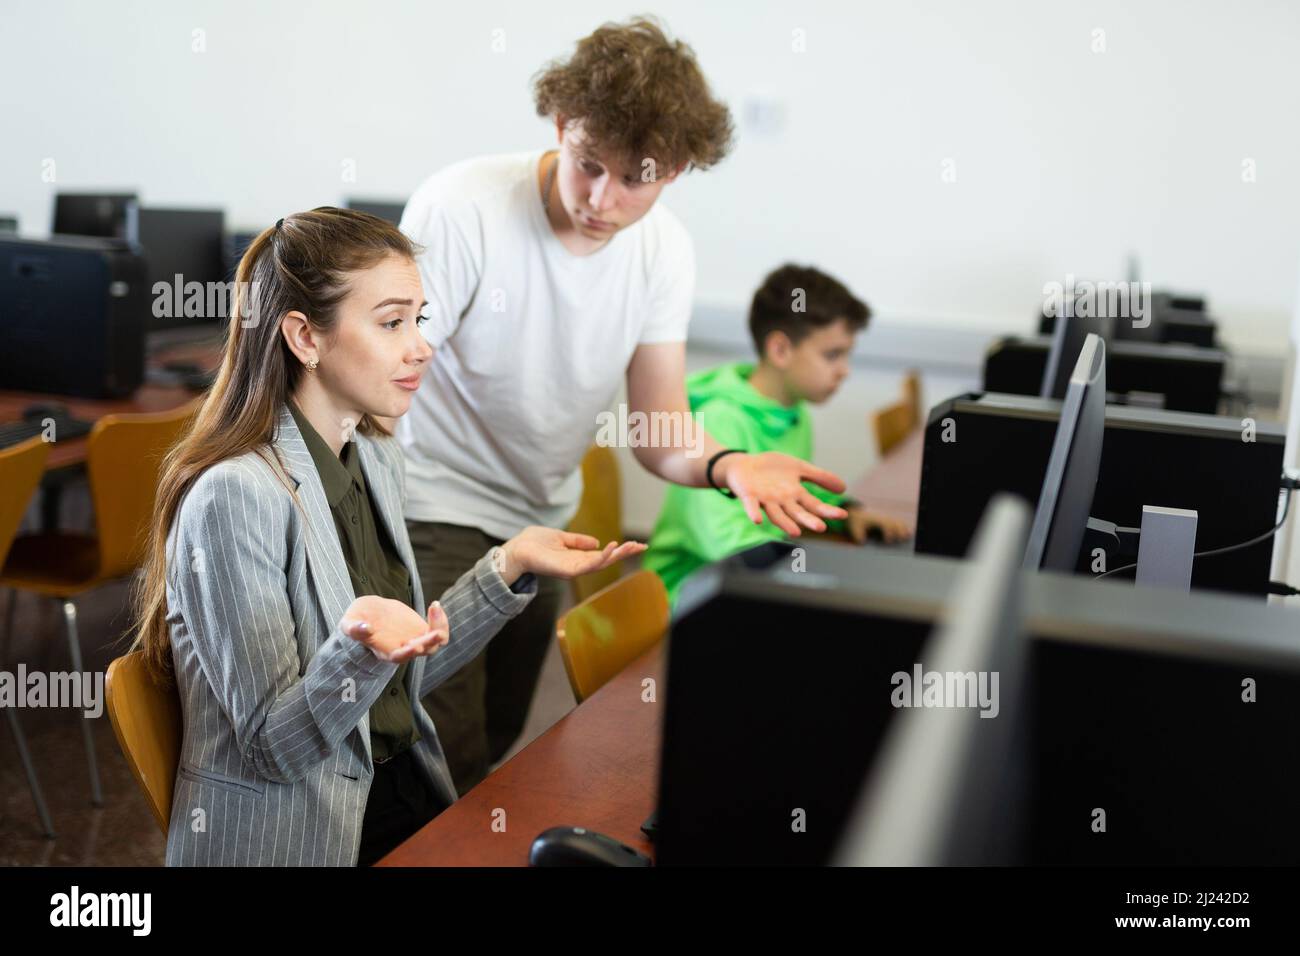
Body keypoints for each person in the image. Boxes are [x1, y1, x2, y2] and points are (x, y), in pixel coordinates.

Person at [398, 17, 850, 795]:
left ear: (675, 170)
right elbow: (389, 374)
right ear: (561, 122)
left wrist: (728, 464)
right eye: (587, 166)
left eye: (634, 178)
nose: (602, 200)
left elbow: (657, 430)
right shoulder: (462, 207)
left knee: (498, 738)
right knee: (443, 751)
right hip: (429, 500)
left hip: (541, 515)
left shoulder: (664, 251)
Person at [128, 207, 643, 866]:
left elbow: (402, 672)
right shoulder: (237, 496)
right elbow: (272, 747)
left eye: (419, 320)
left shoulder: (373, 457)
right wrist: (360, 652)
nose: (422, 346)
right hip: (300, 830)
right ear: (305, 339)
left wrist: (505, 566)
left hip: (394, 790)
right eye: (392, 322)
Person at [644, 264, 914, 606]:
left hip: (755, 576)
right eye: (833, 354)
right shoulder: (721, 420)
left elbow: (794, 491)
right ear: (780, 350)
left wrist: (847, 514)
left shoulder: (792, 411)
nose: (845, 370)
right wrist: (811, 571)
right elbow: (724, 541)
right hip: (693, 591)